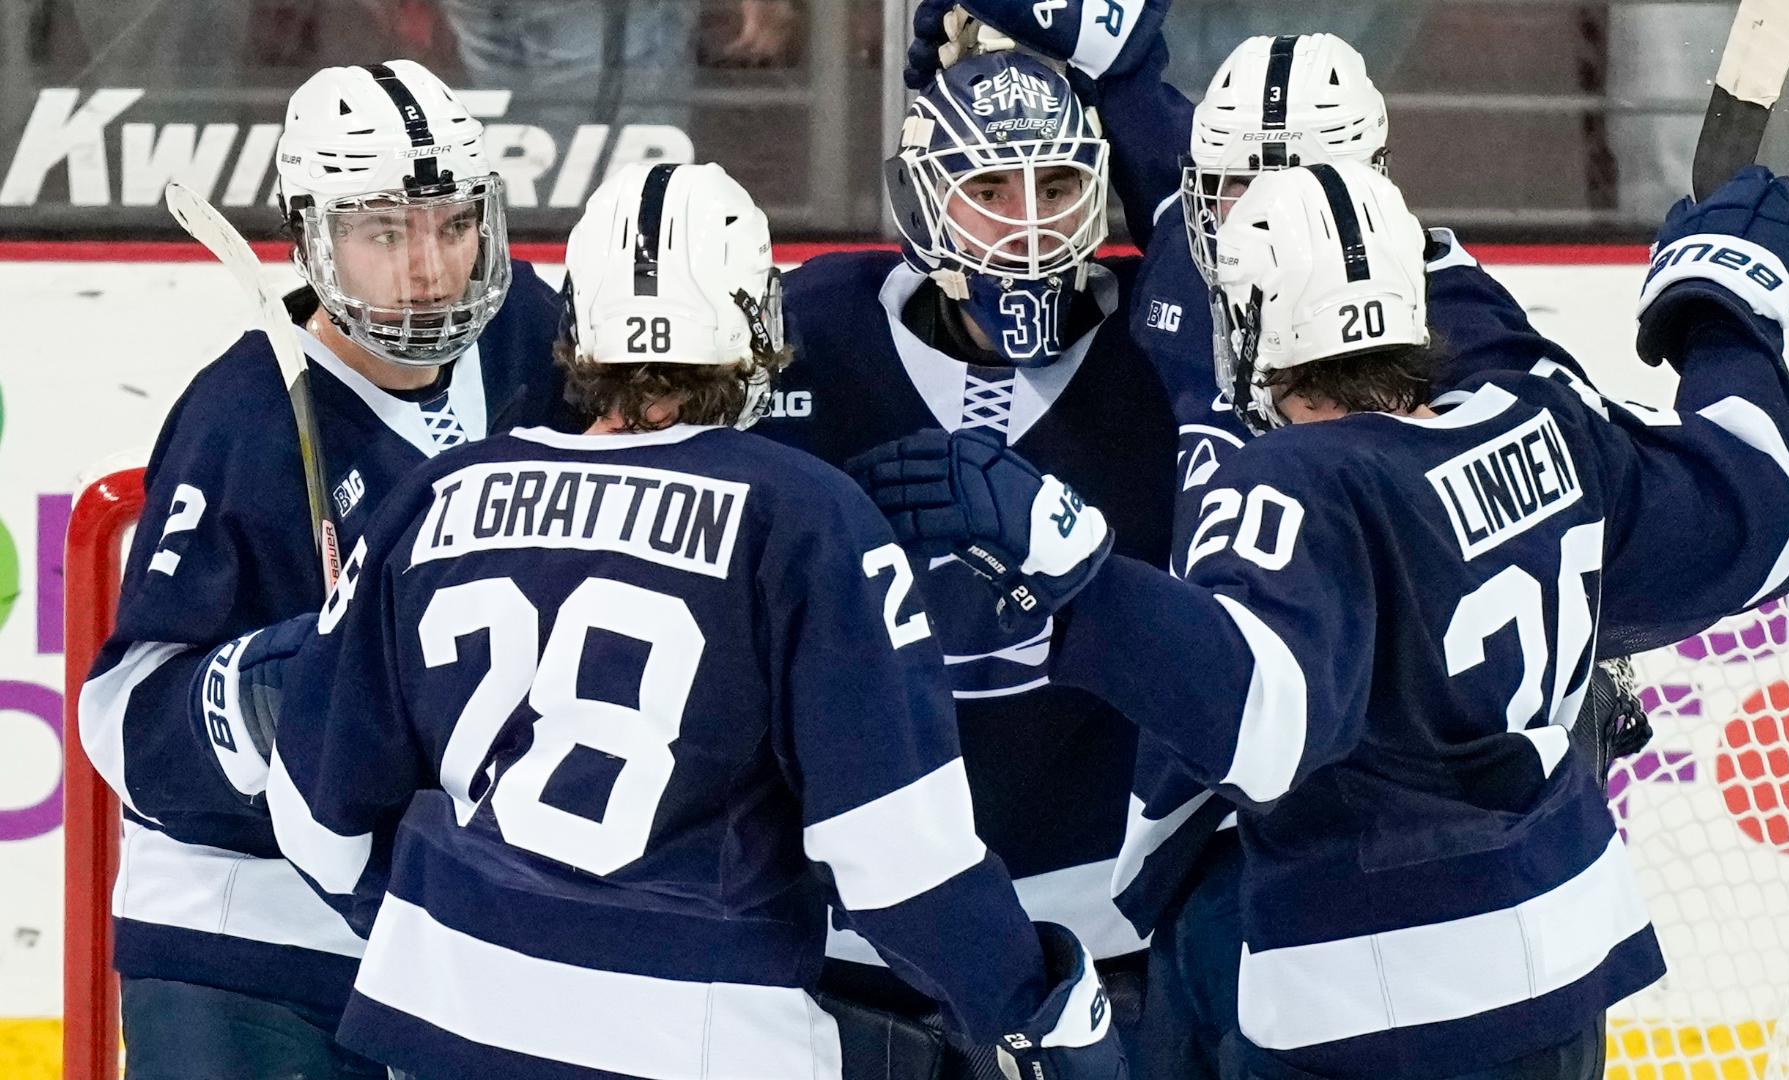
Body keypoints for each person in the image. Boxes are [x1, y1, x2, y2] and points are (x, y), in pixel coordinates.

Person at [853, 162, 1789, 1077]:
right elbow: (1768, 511)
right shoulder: (1545, 423)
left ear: (1248, 324)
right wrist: (1723, 311)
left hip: (1368, 1004)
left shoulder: (1289, 481)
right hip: (1565, 971)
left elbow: (1262, 726)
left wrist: (1081, 571)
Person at [214, 161, 1125, 1080]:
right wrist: (1033, 1010)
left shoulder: (436, 494)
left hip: (441, 1027)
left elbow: (314, 815)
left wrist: (442, 938)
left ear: (578, 328)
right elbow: (896, 860)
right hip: (692, 1039)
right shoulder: (804, 513)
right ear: (758, 321)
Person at [75, 58, 567, 1080]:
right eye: (385, 231)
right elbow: (121, 720)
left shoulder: (543, 347)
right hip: (251, 941)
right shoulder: (243, 415)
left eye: (452, 223)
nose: (430, 268)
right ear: (312, 236)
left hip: (474, 930)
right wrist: (263, 689)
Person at [751, 39, 1184, 1074]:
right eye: (991, 186)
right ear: (927, 199)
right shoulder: (801, 331)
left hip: (1105, 944)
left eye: (1061, 184)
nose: (1030, 223)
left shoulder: (1170, 349)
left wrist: (1120, 64)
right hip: (845, 945)